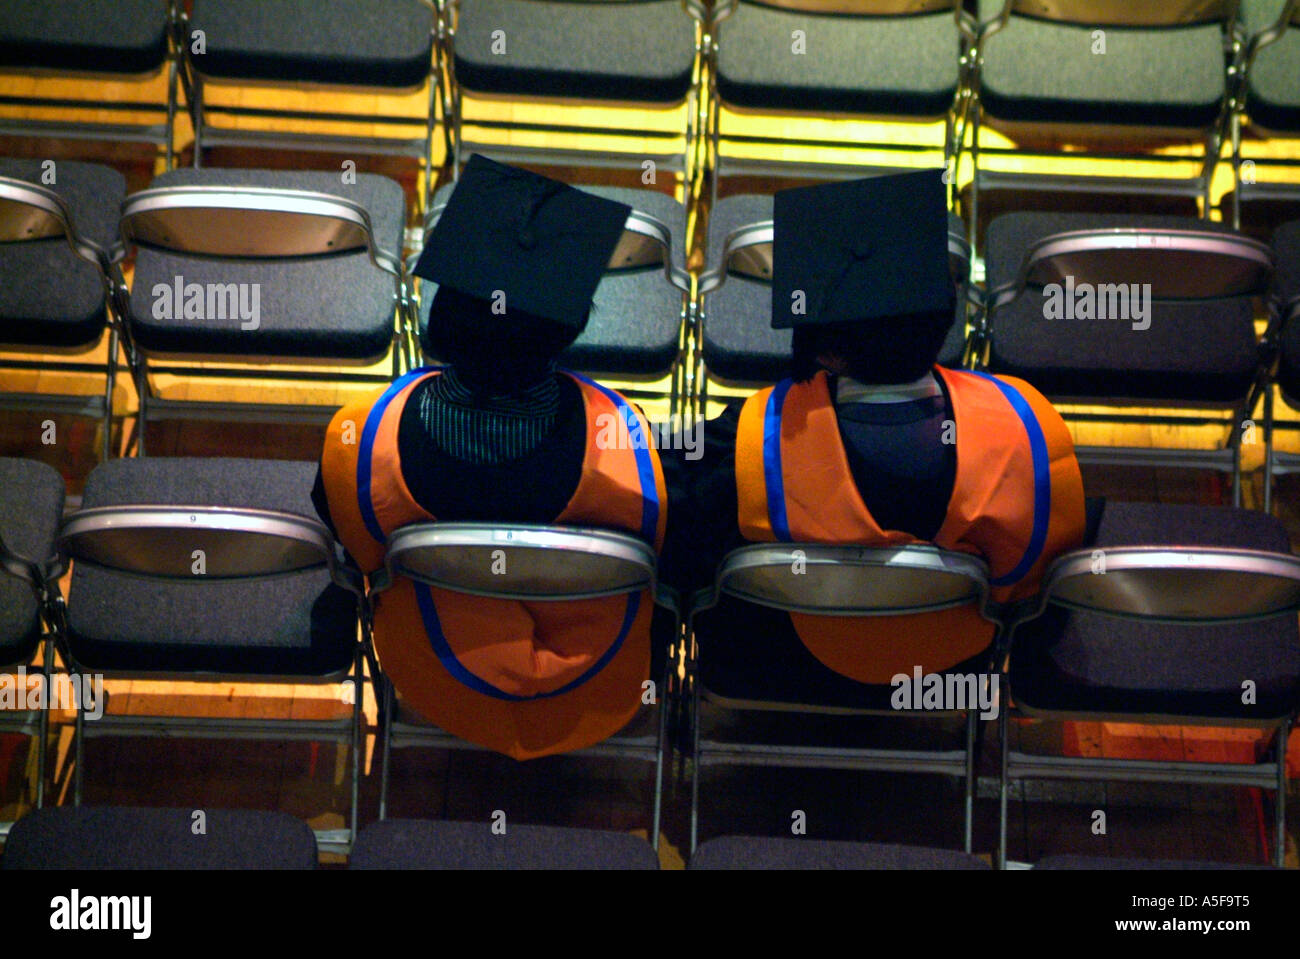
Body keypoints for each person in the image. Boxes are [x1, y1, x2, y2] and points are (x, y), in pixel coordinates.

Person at [666, 169, 1085, 705]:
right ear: (945, 316)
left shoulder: (750, 442)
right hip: (947, 677)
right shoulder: (1027, 426)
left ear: (825, 349)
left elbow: (679, 538)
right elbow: (1040, 590)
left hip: (777, 672)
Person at [313, 155, 668, 759]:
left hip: (436, 674)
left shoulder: (360, 440)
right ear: (567, 326)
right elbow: (654, 561)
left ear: (442, 317)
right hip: (592, 685)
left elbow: (362, 552)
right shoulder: (627, 448)